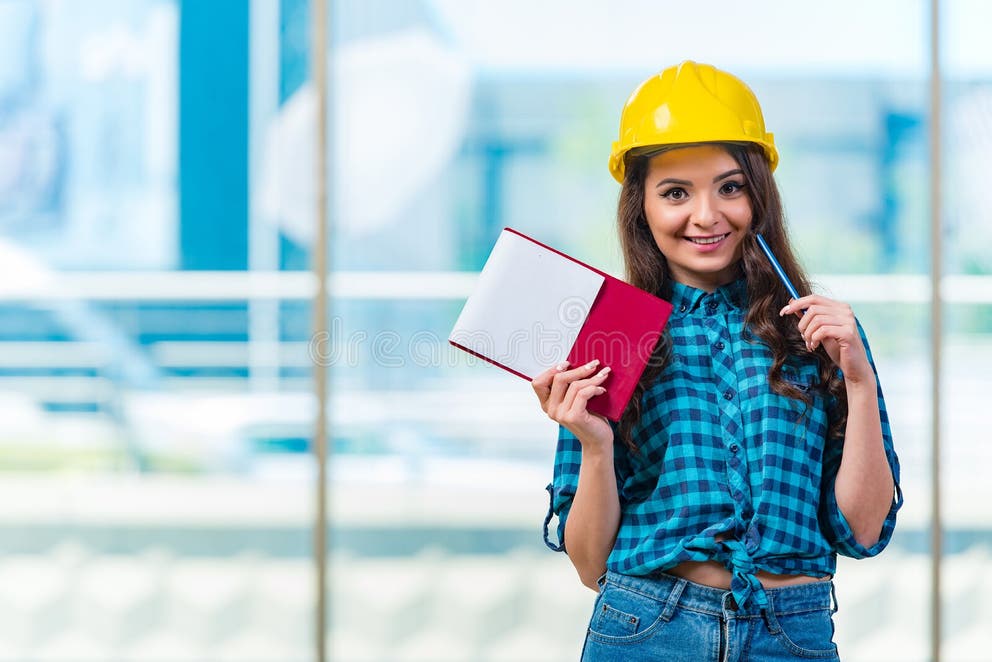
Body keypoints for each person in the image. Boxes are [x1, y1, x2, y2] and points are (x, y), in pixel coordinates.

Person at [531, 61, 902, 661]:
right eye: (676, 192)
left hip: (791, 634)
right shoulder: (612, 334)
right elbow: (589, 564)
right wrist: (595, 446)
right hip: (647, 629)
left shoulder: (819, 335)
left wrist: (858, 383)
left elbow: (861, 532)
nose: (707, 215)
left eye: (730, 187)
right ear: (642, 208)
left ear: (760, 196)